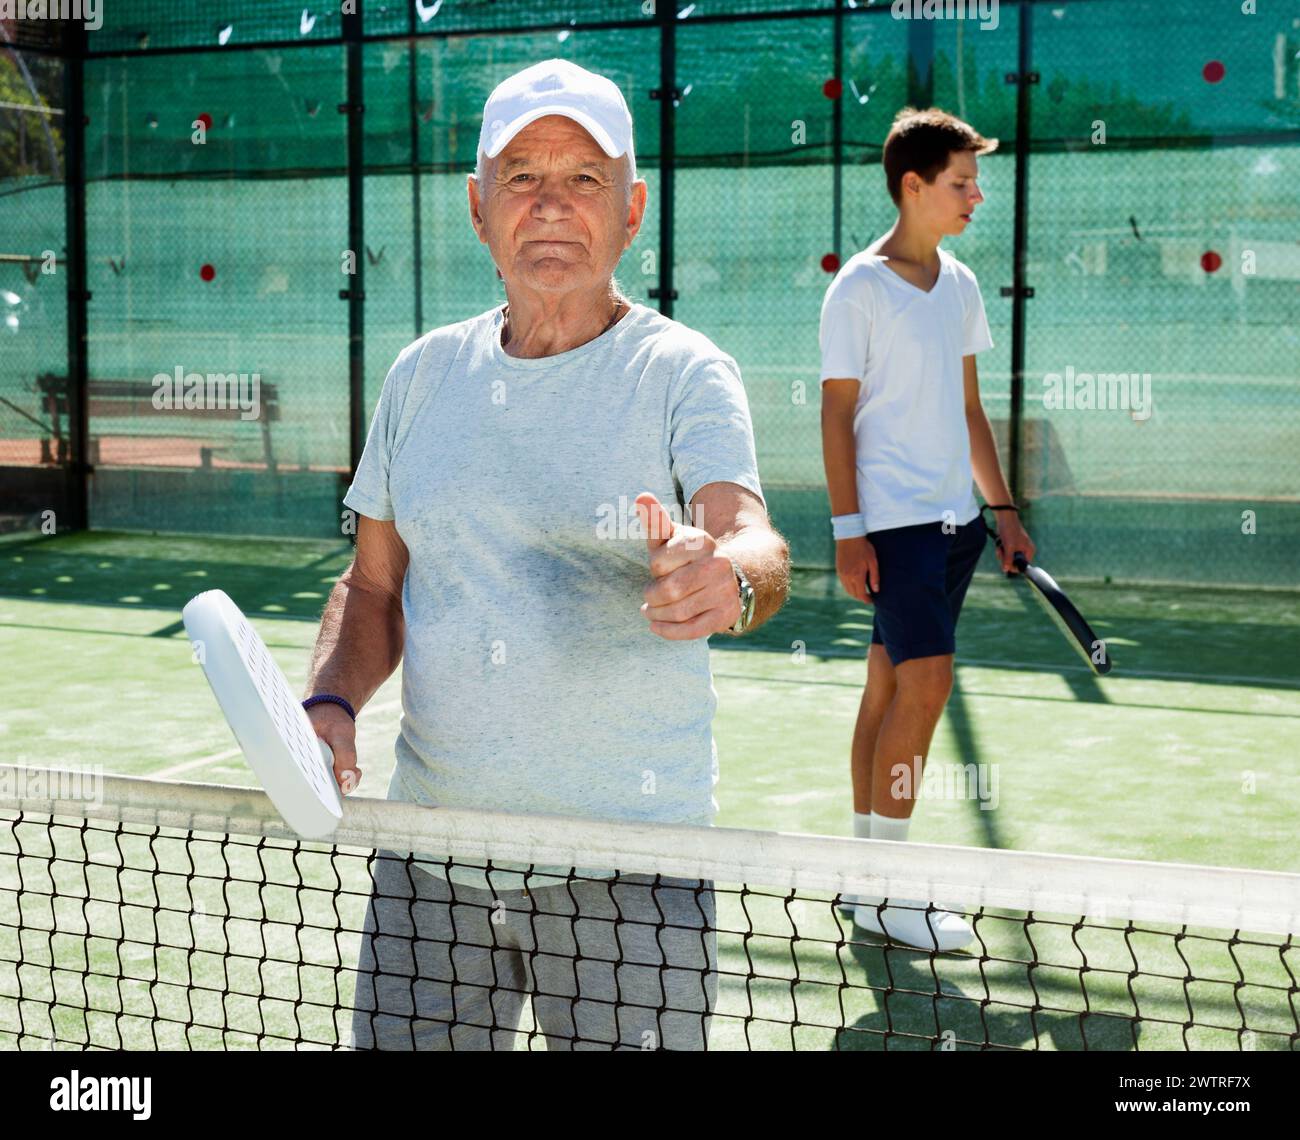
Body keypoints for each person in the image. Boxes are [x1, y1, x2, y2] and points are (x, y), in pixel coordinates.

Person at [302, 59, 790, 1050]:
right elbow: (373, 586)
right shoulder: (420, 376)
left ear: (632, 209)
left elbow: (754, 539)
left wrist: (727, 578)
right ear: (479, 209)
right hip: (432, 860)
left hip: (631, 868)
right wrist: (328, 701)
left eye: (583, 179)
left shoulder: (683, 372)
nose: (551, 205)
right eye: (521, 177)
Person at [819, 107, 1034, 952]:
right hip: (893, 532)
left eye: (975, 182)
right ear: (914, 187)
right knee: (927, 687)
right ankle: (892, 895)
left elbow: (971, 409)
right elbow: (837, 418)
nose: (976, 195)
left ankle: (866, 877)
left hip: (957, 528)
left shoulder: (963, 285)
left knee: (887, 687)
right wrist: (848, 530)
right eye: (961, 182)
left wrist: (1005, 512)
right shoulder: (858, 288)